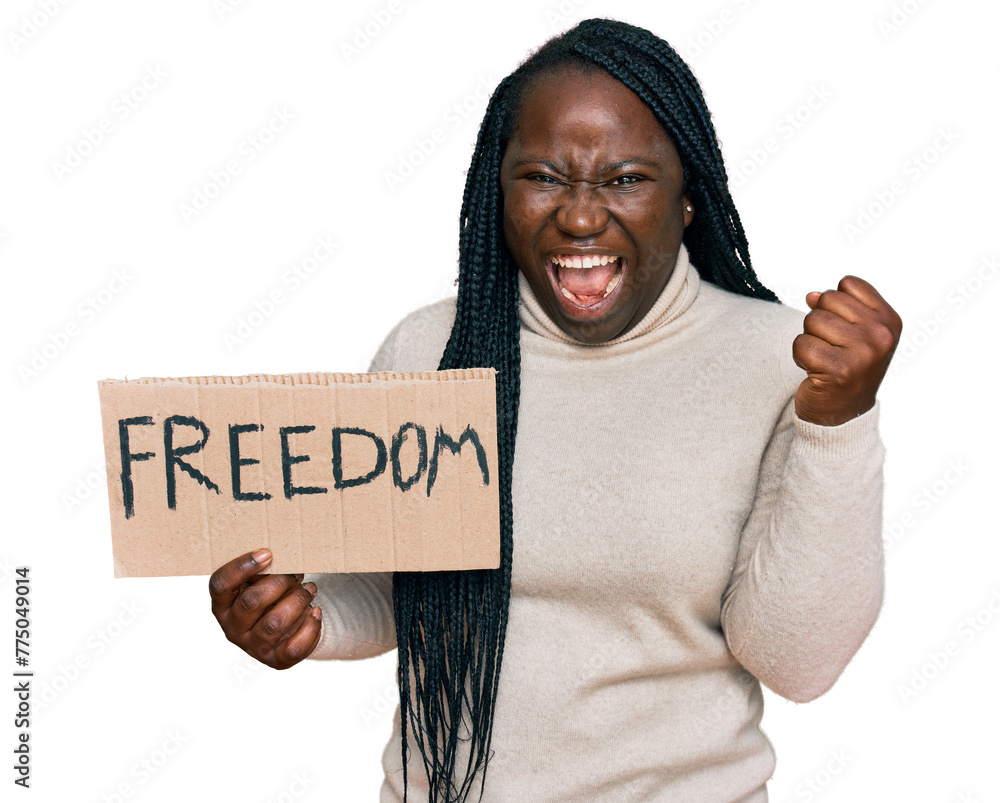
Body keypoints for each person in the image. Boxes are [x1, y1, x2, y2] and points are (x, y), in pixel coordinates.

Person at [208, 18, 902, 802]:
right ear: (496, 192)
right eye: (542, 175)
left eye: (625, 179)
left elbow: (799, 662)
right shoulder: (430, 349)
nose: (578, 216)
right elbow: (393, 593)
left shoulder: (786, 363)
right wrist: (302, 619)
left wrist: (838, 421)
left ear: (686, 201)